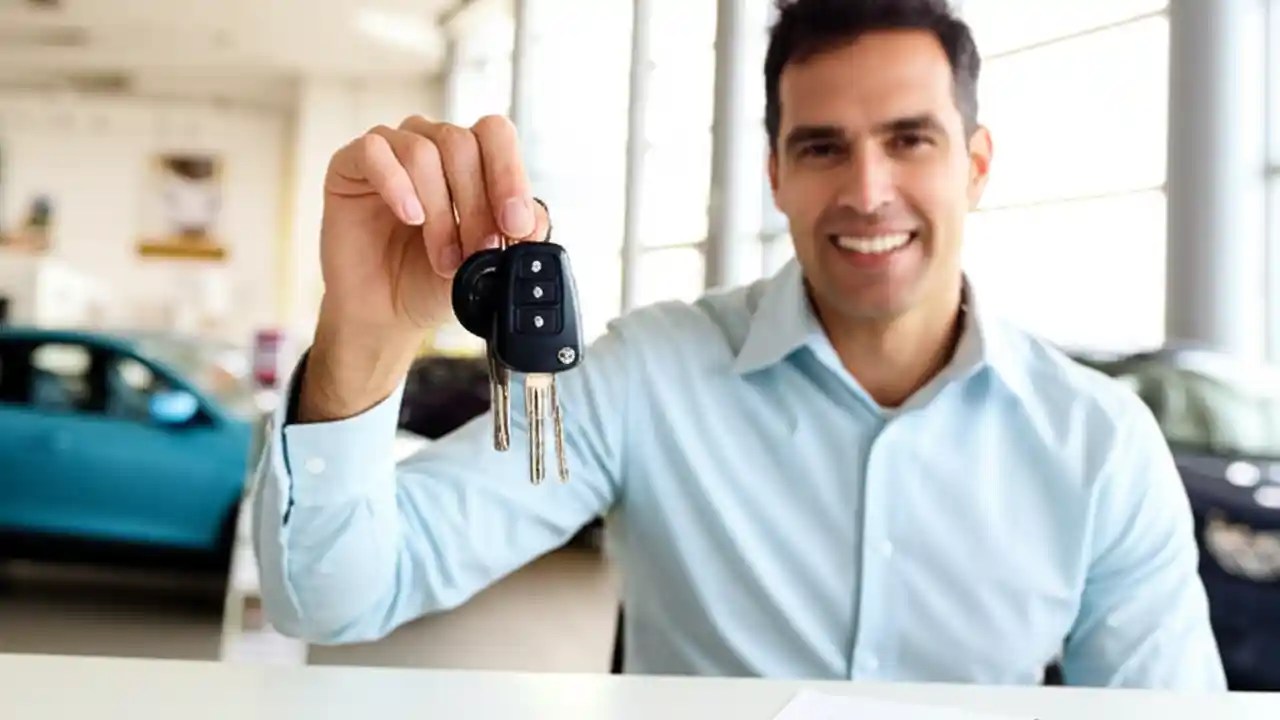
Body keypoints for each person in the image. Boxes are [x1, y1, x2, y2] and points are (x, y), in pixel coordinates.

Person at [251, 0, 1226, 688]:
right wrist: (365, 341)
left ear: (973, 164)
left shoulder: (1098, 443)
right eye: (821, 146)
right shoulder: (648, 376)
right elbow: (335, 598)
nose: (866, 189)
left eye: (909, 140)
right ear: (773, 173)